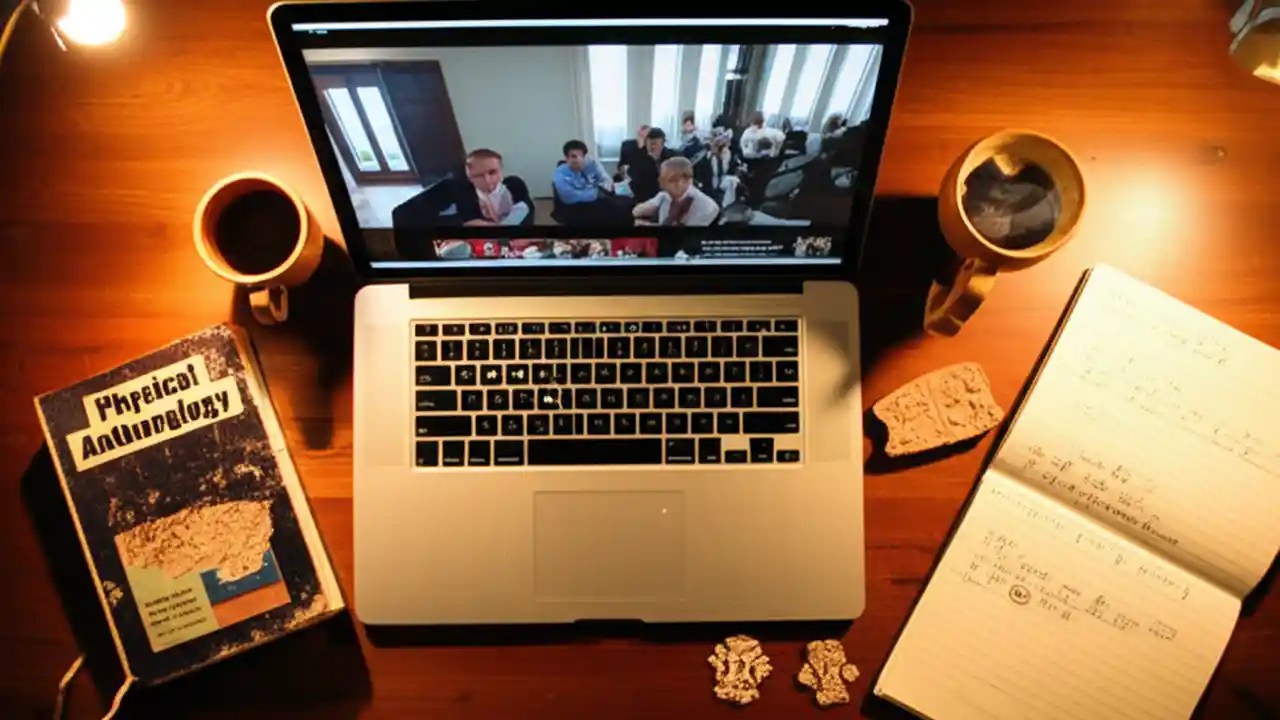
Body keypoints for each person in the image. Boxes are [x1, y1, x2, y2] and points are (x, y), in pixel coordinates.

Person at [552, 139, 631, 225]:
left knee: (624, 209)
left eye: (581, 156)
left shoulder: (592, 164)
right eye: (573, 156)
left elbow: (607, 181)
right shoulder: (560, 173)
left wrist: (601, 185)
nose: (578, 160)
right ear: (567, 158)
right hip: (576, 207)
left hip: (597, 201)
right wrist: (595, 191)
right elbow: (569, 197)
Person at [632, 156, 720, 227]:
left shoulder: (706, 207)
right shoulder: (664, 196)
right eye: (661, 177)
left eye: (667, 179)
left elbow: (685, 238)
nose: (660, 181)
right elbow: (636, 212)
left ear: (684, 182)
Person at [455, 148, 534, 226]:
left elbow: (524, 211)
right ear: (470, 178)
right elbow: (469, 222)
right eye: (478, 176)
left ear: (501, 170)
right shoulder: (465, 194)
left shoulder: (514, 185)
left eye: (492, 172)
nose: (487, 180)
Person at [626, 127, 678, 202]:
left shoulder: (672, 156)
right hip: (646, 195)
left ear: (663, 144)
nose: (652, 147)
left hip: (669, 195)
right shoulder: (637, 156)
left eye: (655, 144)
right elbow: (634, 180)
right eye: (649, 144)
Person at [696, 132, 743, 207]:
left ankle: (727, 205)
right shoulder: (705, 159)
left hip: (721, 181)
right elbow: (699, 173)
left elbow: (729, 169)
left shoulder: (725, 157)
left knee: (732, 183)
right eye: (715, 146)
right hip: (708, 184)